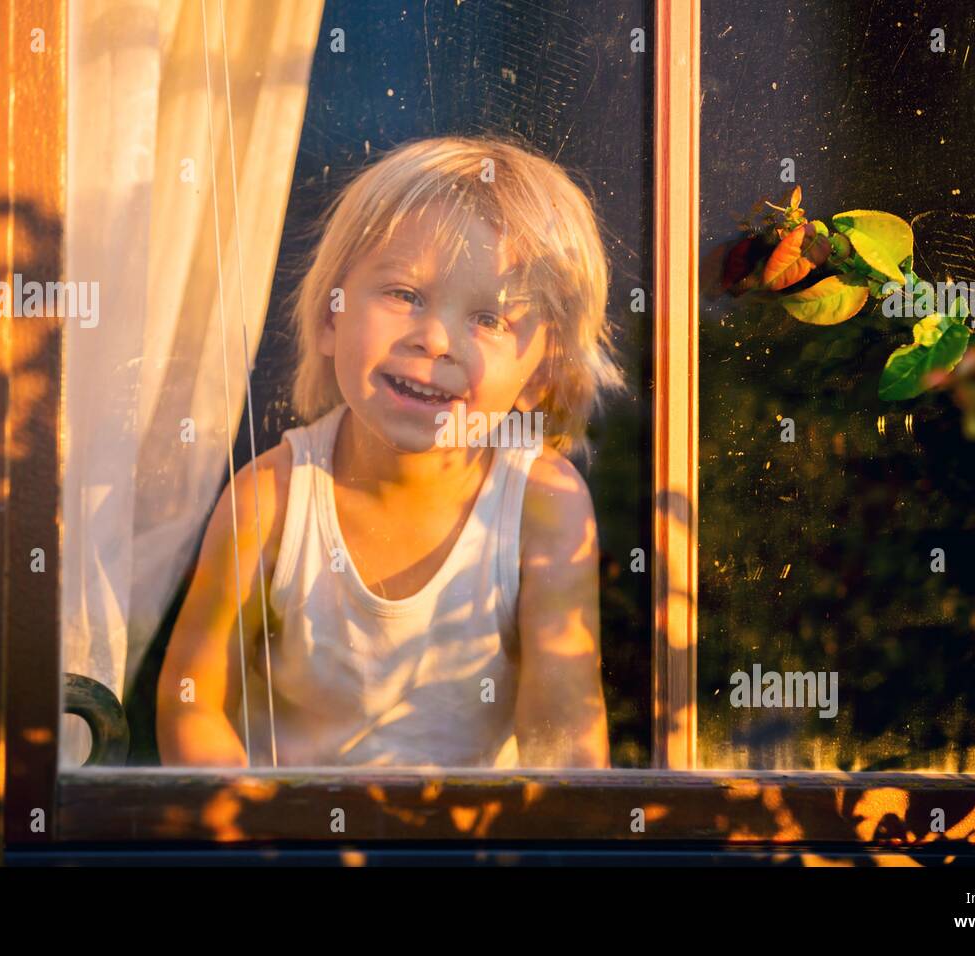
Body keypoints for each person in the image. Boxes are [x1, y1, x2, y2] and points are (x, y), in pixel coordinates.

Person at [157, 136, 625, 768]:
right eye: (405, 294)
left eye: (489, 319)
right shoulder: (269, 499)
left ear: (542, 376)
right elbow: (192, 702)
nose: (434, 339)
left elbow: (563, 740)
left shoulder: (546, 504)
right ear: (330, 317)